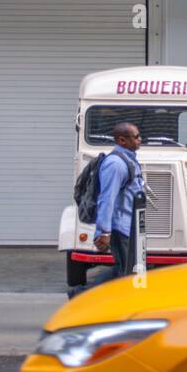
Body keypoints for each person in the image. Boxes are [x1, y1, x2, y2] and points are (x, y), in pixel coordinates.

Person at [69, 122, 144, 299]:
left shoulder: (128, 160)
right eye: (136, 137)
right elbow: (106, 198)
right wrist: (104, 231)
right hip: (120, 227)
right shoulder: (115, 164)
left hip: (131, 225)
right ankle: (80, 295)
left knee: (130, 270)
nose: (140, 140)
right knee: (123, 270)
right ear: (122, 140)